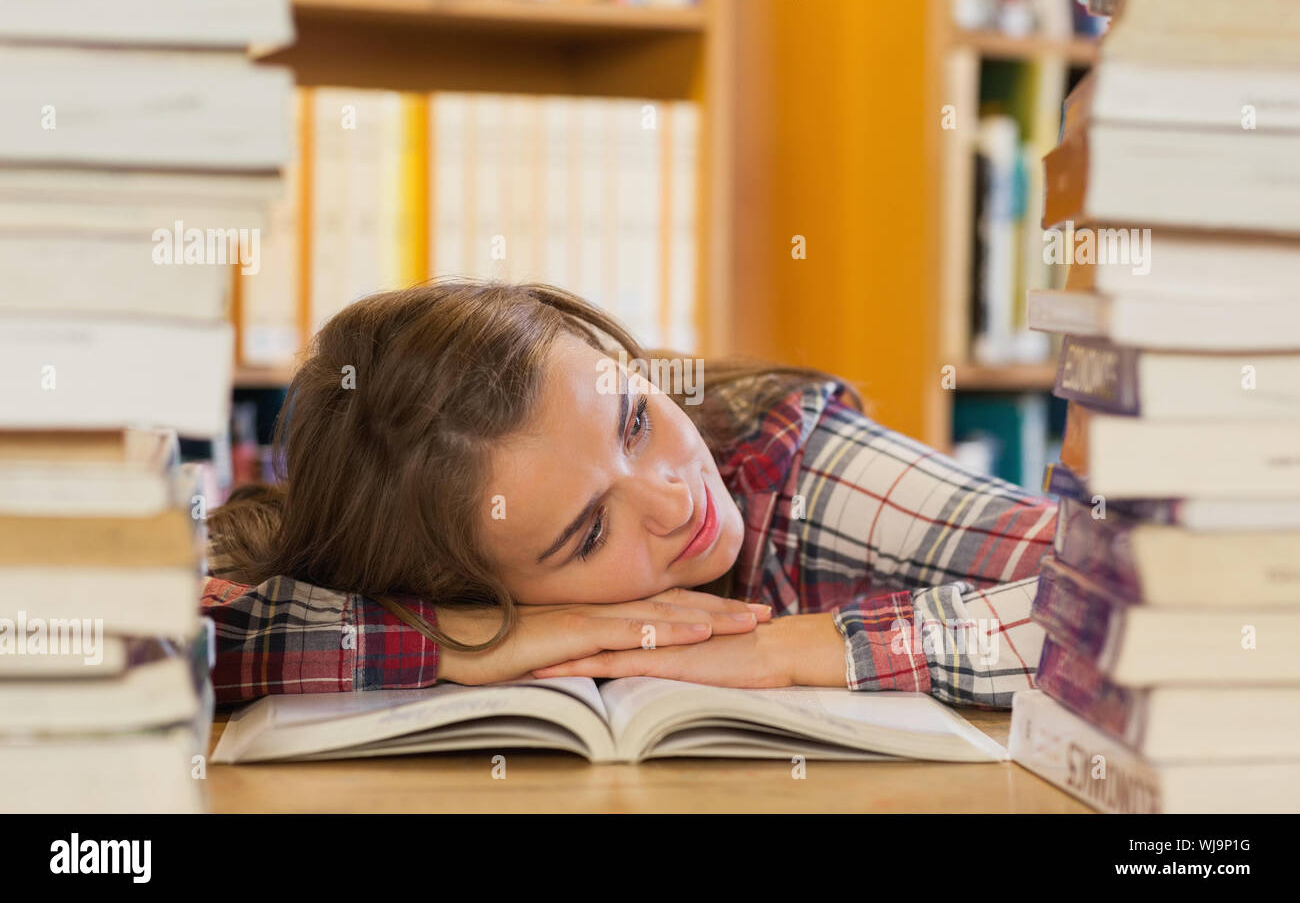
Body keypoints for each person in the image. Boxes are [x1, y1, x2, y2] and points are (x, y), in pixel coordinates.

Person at [205, 279, 1056, 707]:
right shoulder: (444, 596)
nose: (676, 502)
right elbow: (157, 639)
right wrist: (461, 642)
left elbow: (1140, 601)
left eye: (636, 422)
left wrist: (789, 650)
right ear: (471, 588)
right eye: (586, 536)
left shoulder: (790, 471)